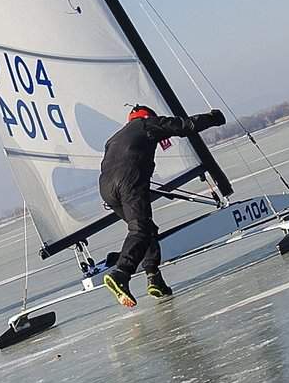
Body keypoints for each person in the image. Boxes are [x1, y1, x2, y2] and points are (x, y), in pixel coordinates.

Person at [96, 104, 226, 307]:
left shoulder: (112, 139)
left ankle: (154, 278)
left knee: (146, 229)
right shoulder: (147, 124)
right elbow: (186, 126)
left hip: (106, 188)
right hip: (129, 180)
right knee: (139, 230)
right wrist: (213, 118)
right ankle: (121, 273)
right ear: (147, 116)